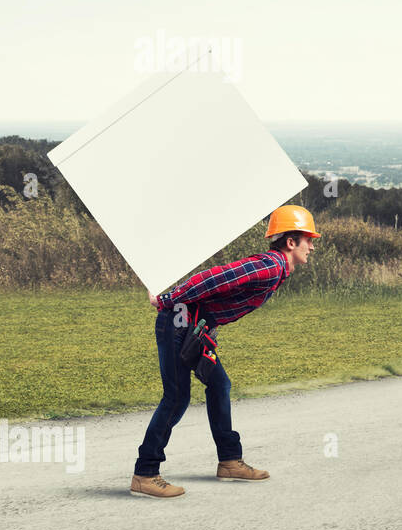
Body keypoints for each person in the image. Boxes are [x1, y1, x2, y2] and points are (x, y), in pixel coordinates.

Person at [130, 205, 321, 498]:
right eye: (308, 239)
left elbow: (220, 296)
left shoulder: (277, 270)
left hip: (193, 327)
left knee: (220, 384)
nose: (312, 245)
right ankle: (145, 473)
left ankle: (230, 461)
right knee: (177, 397)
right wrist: (167, 300)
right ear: (291, 242)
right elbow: (213, 279)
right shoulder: (270, 266)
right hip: (177, 321)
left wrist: (208, 326)